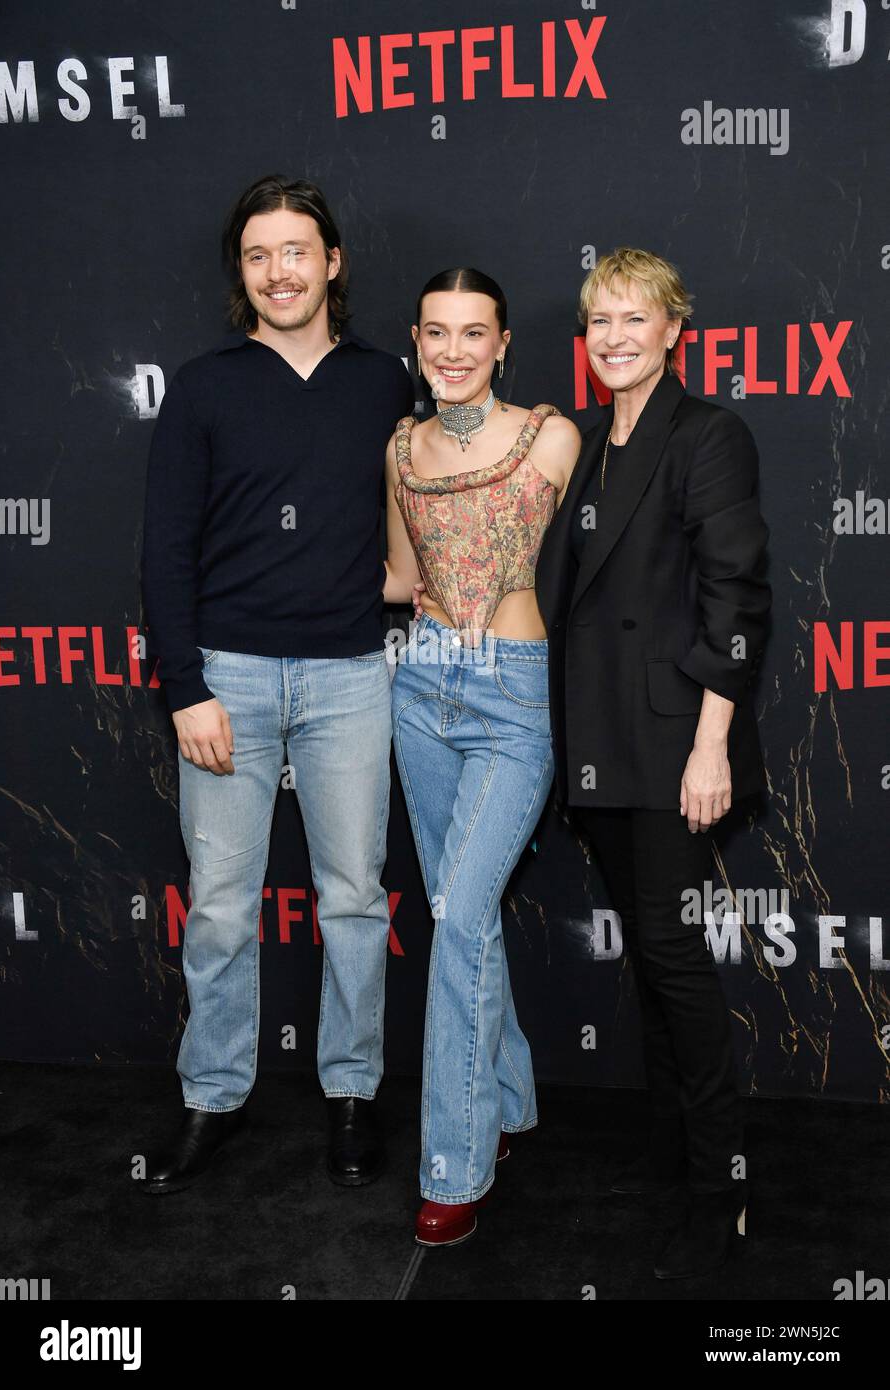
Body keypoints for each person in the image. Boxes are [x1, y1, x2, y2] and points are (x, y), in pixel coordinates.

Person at [138, 175, 414, 1194]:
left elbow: (439, 484)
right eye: (258, 255)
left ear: (332, 263)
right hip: (228, 680)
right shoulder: (206, 385)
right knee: (217, 907)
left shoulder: (387, 379)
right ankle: (213, 1096)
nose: (279, 271)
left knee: (351, 898)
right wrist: (185, 687)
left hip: (352, 674)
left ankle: (352, 1096)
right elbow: (164, 550)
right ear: (241, 274)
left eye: (297, 250)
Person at [534, 247, 771, 1279]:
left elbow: (738, 599)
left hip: (675, 747)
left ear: (675, 329)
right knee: (653, 962)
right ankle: (676, 1158)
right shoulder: (584, 443)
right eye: (600, 322)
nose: (616, 337)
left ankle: (722, 1182)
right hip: (600, 751)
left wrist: (711, 744)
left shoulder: (707, 434)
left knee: (673, 962)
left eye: (635, 319)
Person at [383, 268, 582, 1245]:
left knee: (461, 913)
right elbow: (401, 575)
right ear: (415, 341)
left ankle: (455, 1169)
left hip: (512, 694)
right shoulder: (399, 446)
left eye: (473, 334)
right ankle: (504, 1104)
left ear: (504, 343)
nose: (453, 350)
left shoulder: (550, 434)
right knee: (461, 917)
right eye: (435, 333)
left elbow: (553, 554)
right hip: (419, 689)